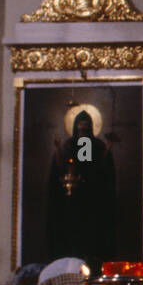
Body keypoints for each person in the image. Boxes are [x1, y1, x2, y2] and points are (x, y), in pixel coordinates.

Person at [45, 110, 118, 262]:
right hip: (72, 197)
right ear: (75, 126)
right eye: (80, 124)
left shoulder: (97, 146)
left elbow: (102, 171)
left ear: (91, 126)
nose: (83, 128)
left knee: (90, 232)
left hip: (92, 196)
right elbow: (60, 169)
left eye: (86, 125)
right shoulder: (69, 145)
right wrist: (59, 152)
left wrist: (105, 154)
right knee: (73, 231)